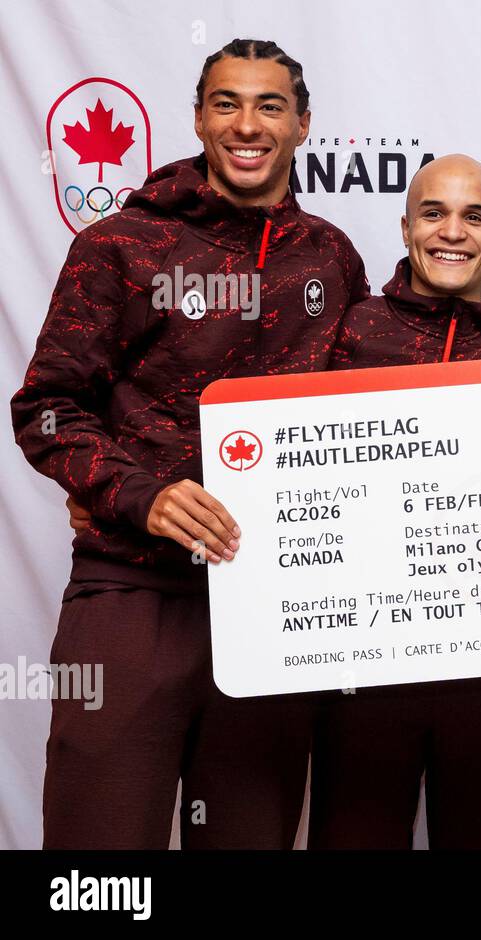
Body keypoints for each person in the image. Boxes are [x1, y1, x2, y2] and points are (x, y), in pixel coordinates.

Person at [12, 38, 370, 849]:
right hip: (134, 594)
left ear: (304, 125)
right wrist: (144, 494)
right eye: (228, 104)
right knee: (100, 861)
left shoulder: (332, 256)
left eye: (270, 106)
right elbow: (48, 407)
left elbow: (379, 396)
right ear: (200, 119)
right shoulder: (122, 243)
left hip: (276, 606)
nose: (248, 124)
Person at [308, 154, 481, 849]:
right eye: (434, 213)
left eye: (475, 216)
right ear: (404, 228)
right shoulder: (353, 330)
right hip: (364, 666)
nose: (452, 232)